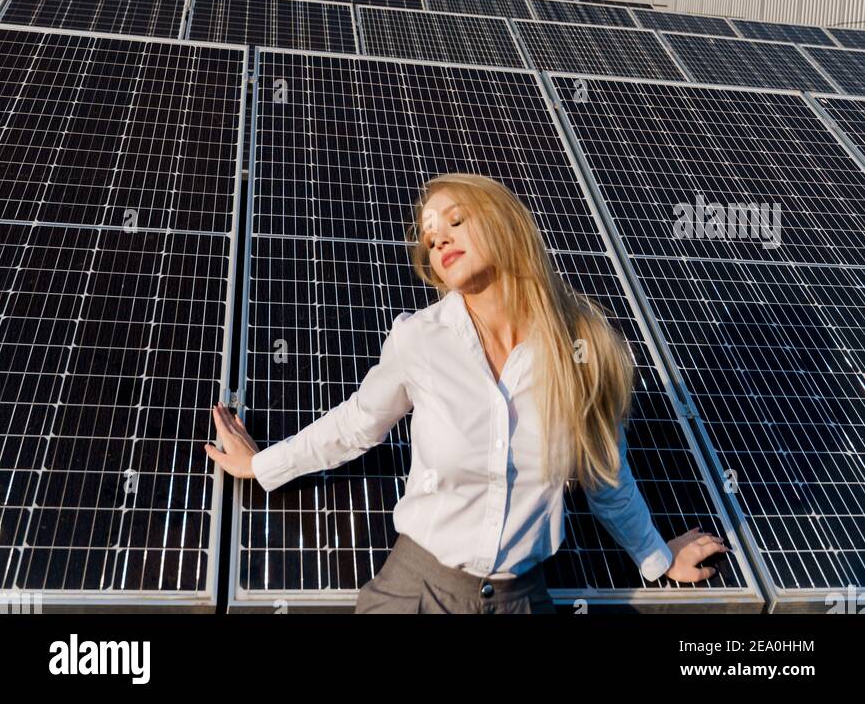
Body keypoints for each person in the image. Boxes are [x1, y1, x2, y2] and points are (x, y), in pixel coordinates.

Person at [205, 173, 728, 613]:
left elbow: (604, 474)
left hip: (522, 598)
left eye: (456, 221)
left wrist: (658, 557)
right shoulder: (420, 338)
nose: (440, 241)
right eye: (431, 239)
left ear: (505, 223)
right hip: (415, 591)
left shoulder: (583, 346)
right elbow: (356, 424)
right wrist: (263, 466)